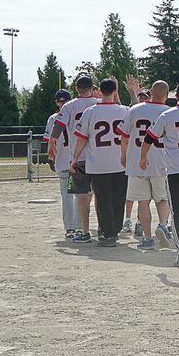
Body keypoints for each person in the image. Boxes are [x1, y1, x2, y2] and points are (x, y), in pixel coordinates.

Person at [141, 80, 179, 266]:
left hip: (175, 169)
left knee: (177, 212)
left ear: (176, 97)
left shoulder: (167, 115)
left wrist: (143, 156)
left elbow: (149, 137)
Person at [70, 78, 128, 247]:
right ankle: (114, 229)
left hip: (98, 164)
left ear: (100, 92)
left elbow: (81, 138)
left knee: (103, 200)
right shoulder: (124, 110)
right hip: (120, 162)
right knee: (118, 198)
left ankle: (108, 233)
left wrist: (75, 159)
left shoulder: (90, 112)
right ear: (115, 92)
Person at [120, 80, 172, 251]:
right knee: (162, 199)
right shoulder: (168, 112)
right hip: (161, 161)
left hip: (137, 161)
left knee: (143, 202)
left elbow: (125, 136)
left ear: (150, 92)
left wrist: (123, 155)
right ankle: (163, 225)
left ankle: (148, 238)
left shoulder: (135, 110)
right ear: (166, 95)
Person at [49, 76, 98, 243]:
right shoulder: (98, 103)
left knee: (76, 195)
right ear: (92, 88)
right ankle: (104, 229)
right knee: (98, 195)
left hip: (76, 159)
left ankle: (75, 228)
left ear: (77, 89)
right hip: (98, 158)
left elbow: (58, 127)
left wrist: (51, 145)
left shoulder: (69, 107)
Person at [42, 88, 75, 238]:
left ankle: (70, 228)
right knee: (81, 195)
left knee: (68, 195)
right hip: (77, 162)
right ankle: (81, 227)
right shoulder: (78, 116)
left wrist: (50, 158)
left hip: (63, 163)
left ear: (57, 103)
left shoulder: (53, 119)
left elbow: (50, 142)